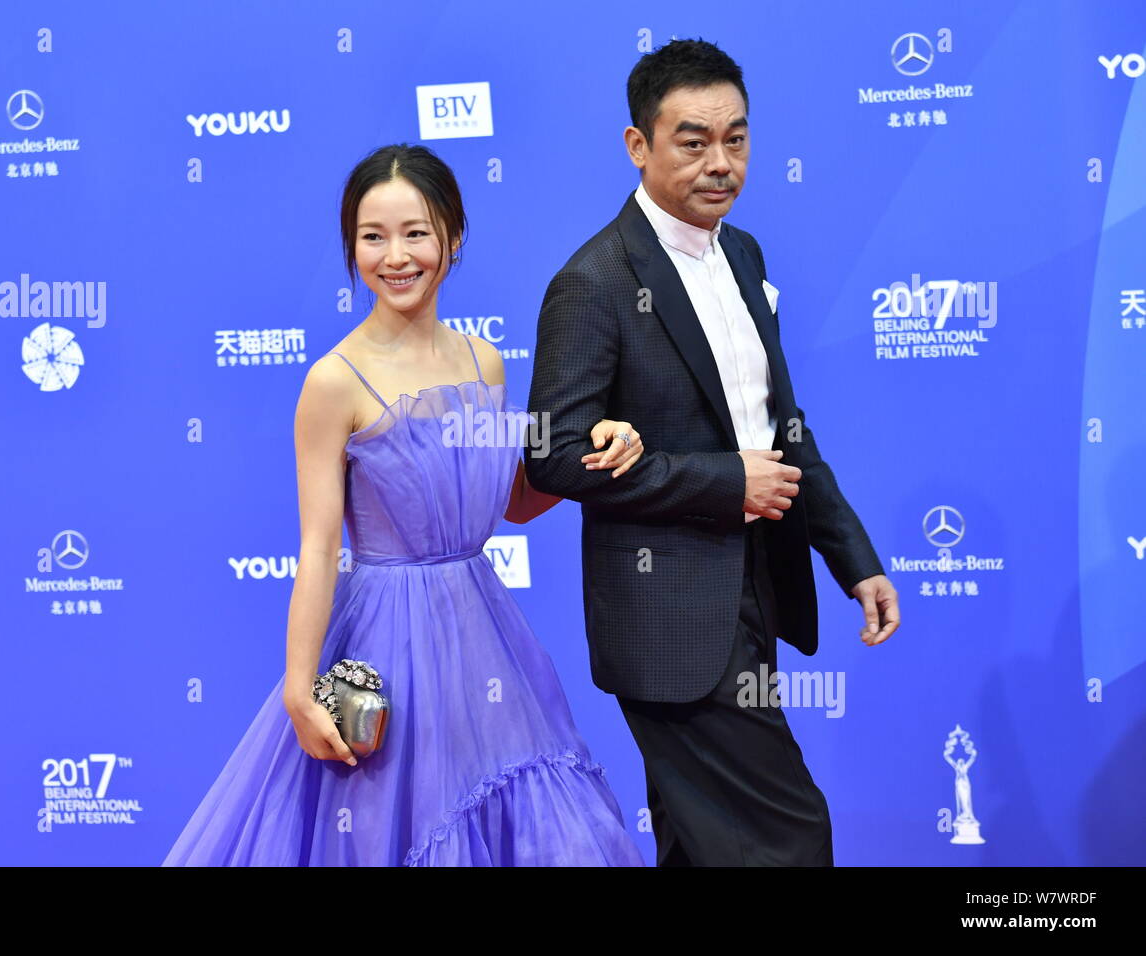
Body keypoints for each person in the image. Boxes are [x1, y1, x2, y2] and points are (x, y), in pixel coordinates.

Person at [163, 143, 646, 866]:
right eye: (372, 237)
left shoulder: (484, 360)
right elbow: (320, 546)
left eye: (416, 232)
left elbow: (512, 502)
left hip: (486, 633)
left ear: (453, 237)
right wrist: (299, 691)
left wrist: (596, 454)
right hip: (388, 645)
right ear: (351, 248)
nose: (396, 256)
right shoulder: (334, 382)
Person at [524, 39, 902, 866]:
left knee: (706, 847)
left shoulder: (743, 253)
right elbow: (550, 454)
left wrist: (853, 558)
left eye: (736, 138)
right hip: (670, 624)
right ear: (639, 146)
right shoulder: (593, 282)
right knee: (785, 839)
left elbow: (783, 427)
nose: (720, 163)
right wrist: (723, 483)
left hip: (757, 589)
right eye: (693, 141)